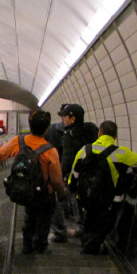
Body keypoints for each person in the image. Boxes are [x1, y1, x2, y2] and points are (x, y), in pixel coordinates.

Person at [0, 110, 67, 254]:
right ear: (47, 128)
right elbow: (56, 180)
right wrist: (61, 194)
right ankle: (40, 246)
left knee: (30, 217)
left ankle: (27, 245)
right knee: (44, 220)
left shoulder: (19, 141)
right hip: (45, 193)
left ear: (30, 125)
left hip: (27, 189)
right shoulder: (51, 151)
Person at [70, 120, 137, 254]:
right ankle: (91, 246)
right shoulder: (120, 153)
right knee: (104, 224)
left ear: (99, 133)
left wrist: (72, 188)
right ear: (115, 136)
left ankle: (87, 241)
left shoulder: (84, 150)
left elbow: (74, 173)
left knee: (89, 219)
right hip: (109, 200)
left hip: (86, 196)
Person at [49, 104, 98, 244]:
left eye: (65, 116)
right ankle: (87, 230)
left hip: (76, 175)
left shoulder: (68, 135)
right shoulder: (91, 130)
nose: (63, 119)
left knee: (64, 201)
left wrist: (60, 176)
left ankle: (63, 232)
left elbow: (67, 159)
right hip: (93, 174)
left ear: (72, 118)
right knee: (87, 202)